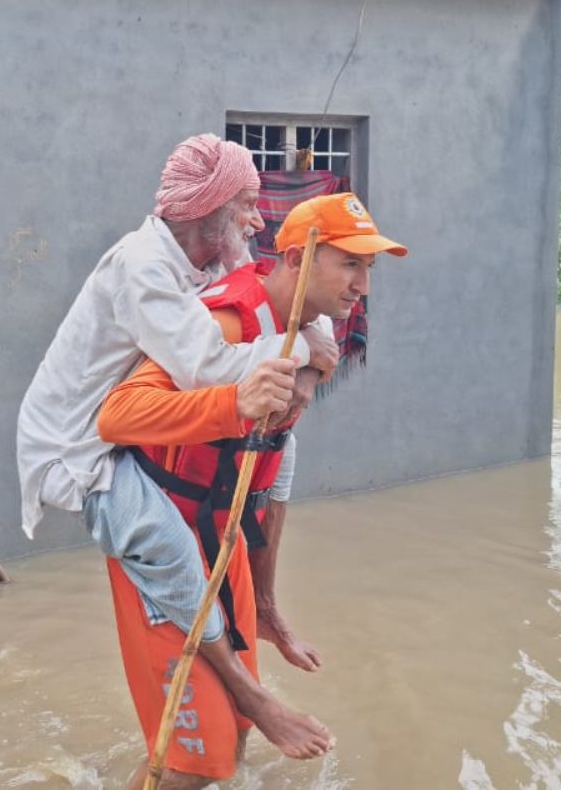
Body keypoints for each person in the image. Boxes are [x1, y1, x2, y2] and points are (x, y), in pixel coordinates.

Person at [97, 192, 408, 786]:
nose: (363, 285)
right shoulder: (225, 322)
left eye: (369, 268)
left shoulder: (312, 336)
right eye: (350, 264)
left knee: (233, 735)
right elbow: (118, 415)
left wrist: (266, 605)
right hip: (164, 540)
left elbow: (274, 463)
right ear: (297, 258)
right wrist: (234, 398)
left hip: (225, 538)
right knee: (195, 762)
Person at [16, 134, 338, 652]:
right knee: (170, 544)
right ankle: (249, 695)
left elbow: (276, 315)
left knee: (282, 444)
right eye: (249, 207)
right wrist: (302, 348)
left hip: (139, 419)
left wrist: (307, 352)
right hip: (78, 444)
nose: (258, 222)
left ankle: (267, 608)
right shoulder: (141, 265)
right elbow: (206, 369)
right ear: (209, 210)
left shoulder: (212, 259)